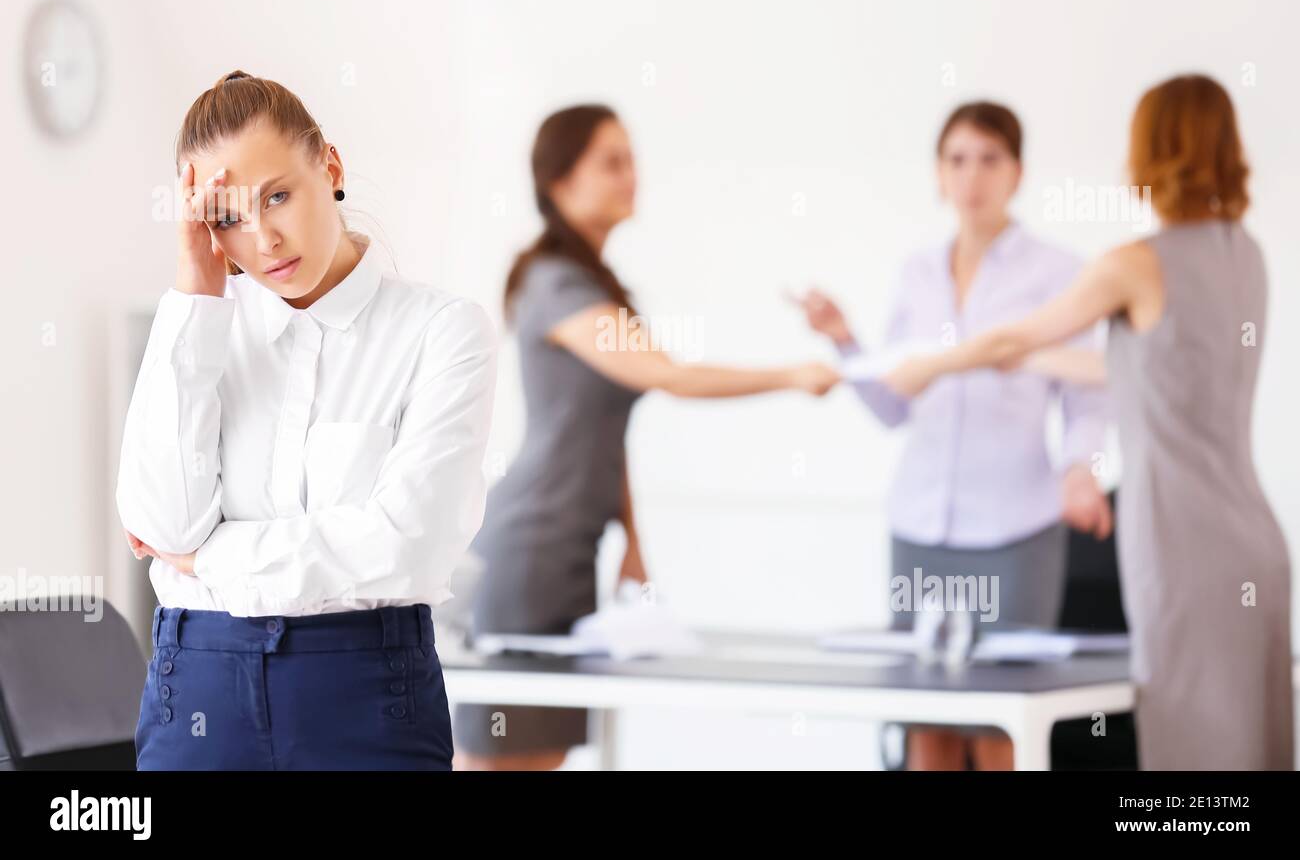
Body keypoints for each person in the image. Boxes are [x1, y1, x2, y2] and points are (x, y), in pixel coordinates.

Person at [884, 74, 1294, 770]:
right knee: (1247, 750)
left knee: (1189, 750)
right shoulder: (1246, 256)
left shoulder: (1132, 266)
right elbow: (1148, 374)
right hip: (1252, 539)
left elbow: (1011, 338)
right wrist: (1035, 360)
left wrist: (933, 365)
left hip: (1179, 540)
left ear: (1151, 150)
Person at [116, 70, 498, 770]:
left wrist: (207, 559)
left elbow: (406, 545)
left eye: (279, 196)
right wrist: (197, 292)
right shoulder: (201, 331)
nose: (263, 238)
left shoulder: (443, 332)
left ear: (330, 166)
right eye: (228, 217)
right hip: (197, 686)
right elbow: (160, 523)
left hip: (367, 696)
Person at [452, 104, 840, 770]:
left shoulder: (595, 286)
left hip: (571, 557)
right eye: (612, 161)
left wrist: (633, 540)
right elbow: (671, 377)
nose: (632, 174)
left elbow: (609, 430)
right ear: (560, 181)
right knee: (498, 763)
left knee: (540, 759)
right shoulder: (555, 284)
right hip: (528, 558)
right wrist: (791, 375)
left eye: (631, 158)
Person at [794, 101, 1112, 770]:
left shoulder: (1058, 273)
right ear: (939, 174)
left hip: (1014, 532)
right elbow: (892, 406)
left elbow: (1089, 394)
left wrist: (1081, 469)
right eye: (957, 160)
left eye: (990, 159)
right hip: (920, 530)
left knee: (997, 725)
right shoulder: (916, 273)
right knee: (927, 721)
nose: (972, 177)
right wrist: (846, 341)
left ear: (1017, 172)